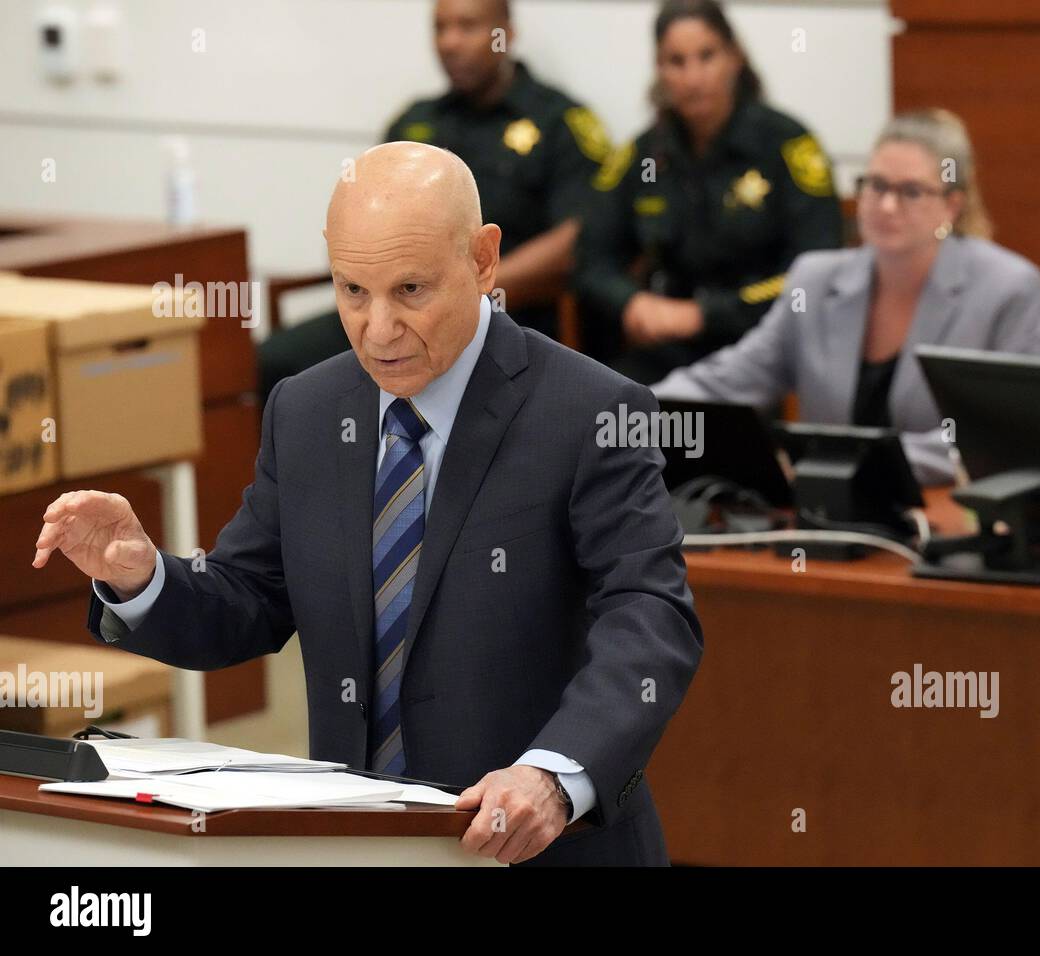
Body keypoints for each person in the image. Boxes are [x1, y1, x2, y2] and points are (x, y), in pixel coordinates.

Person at [33, 143, 702, 867]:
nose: (377, 331)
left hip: (545, 848)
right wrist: (141, 576)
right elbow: (250, 601)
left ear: (482, 260)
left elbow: (651, 618)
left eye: (411, 291)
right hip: (359, 847)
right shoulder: (307, 410)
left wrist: (554, 772)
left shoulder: (590, 411)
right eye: (352, 291)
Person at [652, 109, 1040, 485]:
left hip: (944, 520)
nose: (887, 205)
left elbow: (1004, 435)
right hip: (826, 518)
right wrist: (634, 414)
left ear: (951, 205)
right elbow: (728, 382)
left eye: (910, 191)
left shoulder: (1007, 289)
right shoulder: (815, 280)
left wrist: (856, 463)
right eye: (875, 185)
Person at [258, 0, 610, 400]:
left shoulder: (559, 123)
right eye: (441, 28)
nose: (450, 42)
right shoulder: (416, 121)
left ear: (506, 34)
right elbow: (361, 213)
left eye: (467, 27)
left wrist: (469, 287)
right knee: (275, 360)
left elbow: (579, 238)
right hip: (391, 302)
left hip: (512, 310)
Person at [574, 0, 842, 384]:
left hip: (760, 345)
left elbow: (815, 269)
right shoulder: (645, 154)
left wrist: (704, 314)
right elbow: (590, 257)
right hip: (663, 343)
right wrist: (632, 302)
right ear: (659, 71)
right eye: (676, 62)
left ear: (735, 58)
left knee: (722, 433)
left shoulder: (788, 147)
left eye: (707, 56)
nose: (693, 77)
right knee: (610, 417)